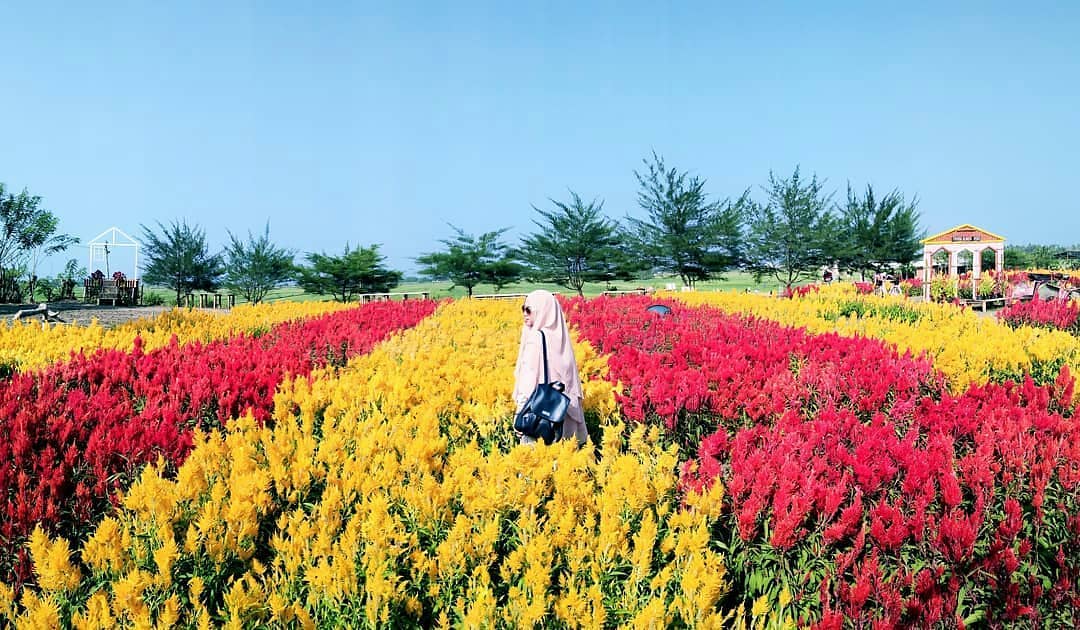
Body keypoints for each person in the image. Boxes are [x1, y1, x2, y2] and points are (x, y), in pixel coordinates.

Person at [513, 290, 589, 445]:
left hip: (540, 417)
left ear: (543, 311)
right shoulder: (560, 337)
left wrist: (520, 413)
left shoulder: (535, 338)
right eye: (523, 309)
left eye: (528, 310)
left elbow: (527, 382)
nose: (524, 314)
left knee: (537, 465)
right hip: (562, 413)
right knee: (566, 463)